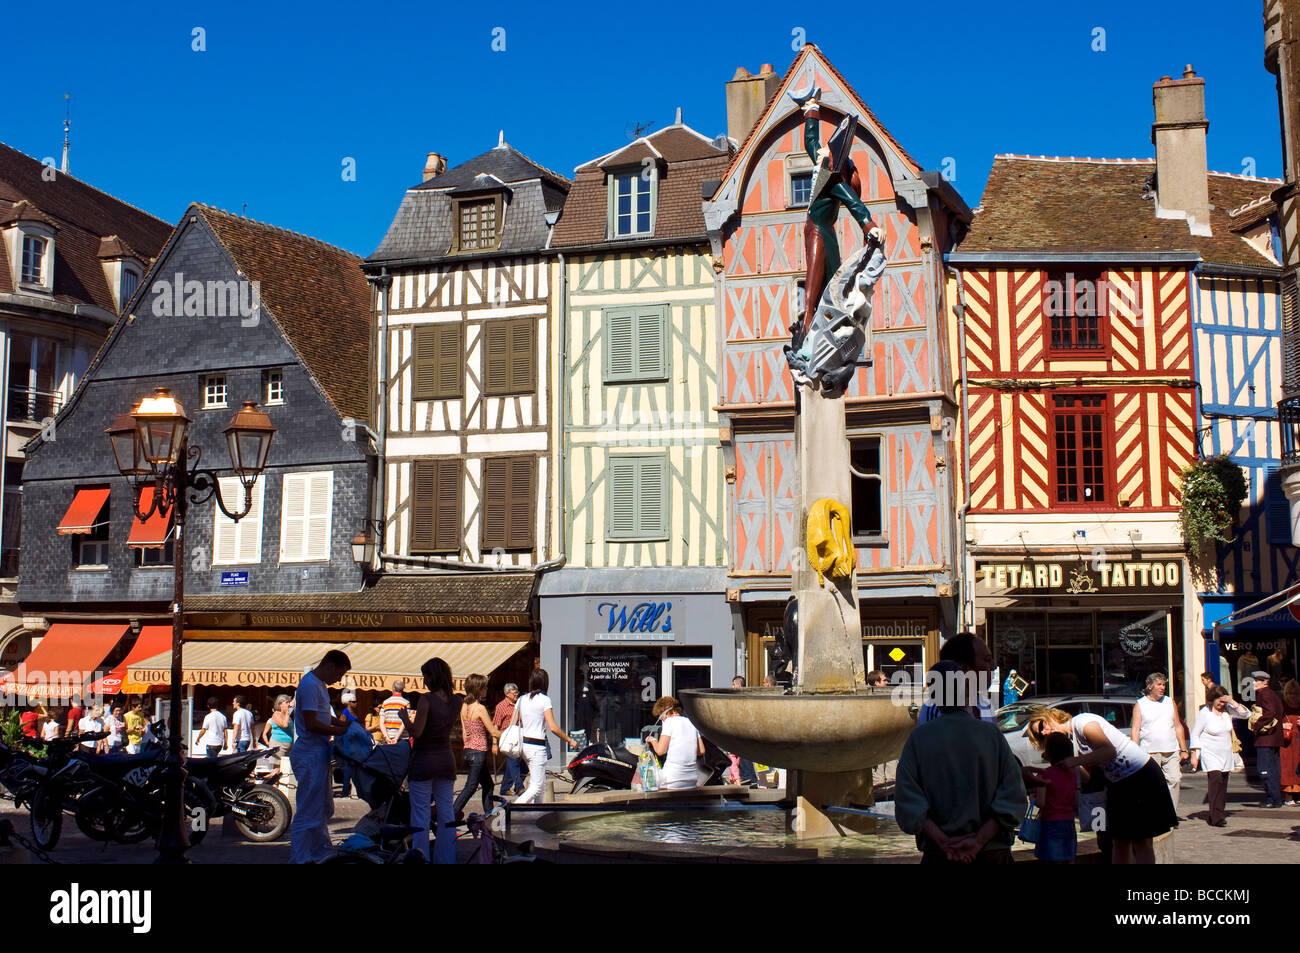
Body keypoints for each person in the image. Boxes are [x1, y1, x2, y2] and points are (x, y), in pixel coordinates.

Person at [895, 661, 1027, 864]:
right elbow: (1013, 797)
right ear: (966, 691)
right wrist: (977, 841)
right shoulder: (991, 735)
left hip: (939, 854)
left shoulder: (918, 739)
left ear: (934, 696)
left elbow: (908, 803)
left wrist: (944, 842)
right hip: (992, 853)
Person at [1027, 706, 1177, 864]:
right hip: (1119, 783)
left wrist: (1074, 761)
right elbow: (1087, 777)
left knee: (1141, 841)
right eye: (1039, 734)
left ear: (1051, 715)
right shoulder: (1073, 739)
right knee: (1120, 841)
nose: (1043, 732)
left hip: (1140, 776)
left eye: (1042, 726)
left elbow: (1109, 751)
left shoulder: (1083, 723)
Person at [289, 650, 352, 864]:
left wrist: (340, 724)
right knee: (308, 809)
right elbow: (311, 723)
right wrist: (339, 732)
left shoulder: (319, 687)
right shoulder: (309, 685)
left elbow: (322, 717)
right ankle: (300, 857)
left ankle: (319, 852)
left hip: (318, 752)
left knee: (322, 807)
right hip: (309, 753)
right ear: (330, 666)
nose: (339, 680)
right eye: (339, 674)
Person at [398, 657, 462, 863]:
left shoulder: (427, 700)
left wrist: (404, 718)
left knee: (421, 814)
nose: (424, 680)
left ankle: (420, 857)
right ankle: (447, 858)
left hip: (424, 761)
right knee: (446, 813)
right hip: (446, 760)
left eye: (425, 676)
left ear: (433, 676)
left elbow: (417, 732)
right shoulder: (457, 701)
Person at [513, 669, 580, 804]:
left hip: (524, 745)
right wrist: (569, 740)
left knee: (541, 784)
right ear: (545, 683)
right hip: (537, 747)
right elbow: (553, 727)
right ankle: (513, 810)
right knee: (537, 787)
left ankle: (535, 814)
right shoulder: (544, 700)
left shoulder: (521, 699)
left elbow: (512, 723)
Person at [1189, 685, 1251, 826]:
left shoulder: (1227, 710)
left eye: (1223, 702)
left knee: (1223, 783)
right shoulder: (1205, 712)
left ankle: (1217, 813)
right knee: (1215, 780)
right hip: (1210, 752)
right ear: (1212, 700)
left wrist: (1232, 702)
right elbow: (1195, 734)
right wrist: (1195, 754)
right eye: (1219, 701)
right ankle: (1216, 817)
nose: (1221, 704)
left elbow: (1245, 714)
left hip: (1225, 752)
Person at [1130, 672, 1188, 813]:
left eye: (1164, 685)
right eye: (1159, 685)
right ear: (1150, 687)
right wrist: (1133, 751)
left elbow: (1178, 725)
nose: (1162, 688)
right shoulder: (1140, 704)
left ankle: (1171, 813)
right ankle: (1153, 813)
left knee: (1174, 780)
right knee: (1152, 784)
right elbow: (1136, 729)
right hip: (1149, 751)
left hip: (1171, 749)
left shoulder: (1169, 702)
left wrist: (1184, 749)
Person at [917, 633, 996, 725]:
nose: (994, 666)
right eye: (987, 659)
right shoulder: (935, 709)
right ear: (964, 667)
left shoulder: (986, 705)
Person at [1023, 733, 1079, 863]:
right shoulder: (1072, 774)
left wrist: (1032, 798)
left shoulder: (1046, 774)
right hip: (1069, 822)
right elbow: (1076, 799)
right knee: (1068, 858)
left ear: (1049, 752)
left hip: (1050, 823)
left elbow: (1041, 803)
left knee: (1050, 858)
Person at [452, 673, 501, 820]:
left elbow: (465, 733)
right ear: (478, 689)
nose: (486, 690)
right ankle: (451, 814)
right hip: (478, 752)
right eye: (484, 687)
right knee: (471, 787)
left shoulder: (464, 706)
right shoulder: (480, 708)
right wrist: (512, 735)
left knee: (488, 785)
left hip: (469, 750)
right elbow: (492, 730)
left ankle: (489, 817)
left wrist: (467, 748)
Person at [645, 696, 706, 790]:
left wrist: (652, 740)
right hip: (691, 780)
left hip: (671, 779)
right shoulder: (691, 722)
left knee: (645, 780)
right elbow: (701, 751)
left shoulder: (669, 722)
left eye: (661, 716)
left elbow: (660, 751)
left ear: (666, 712)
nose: (662, 719)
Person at [1250, 670, 1286, 808]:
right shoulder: (1272, 694)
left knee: (1265, 769)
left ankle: (1273, 799)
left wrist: (1257, 726)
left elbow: (1270, 712)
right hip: (1274, 738)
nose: (1254, 683)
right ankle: (1275, 798)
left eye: (1257, 680)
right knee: (1274, 769)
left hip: (1266, 739)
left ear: (1265, 682)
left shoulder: (1264, 694)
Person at [492, 683, 524, 798]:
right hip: (507, 739)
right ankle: (519, 787)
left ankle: (505, 788)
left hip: (519, 738)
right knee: (513, 762)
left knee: (516, 763)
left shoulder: (519, 704)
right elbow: (495, 726)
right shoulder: (500, 707)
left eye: (517, 692)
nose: (517, 694)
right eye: (514, 692)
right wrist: (494, 744)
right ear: (507, 694)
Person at [262, 694, 295, 779]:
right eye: (286, 702)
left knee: (284, 769)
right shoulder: (276, 714)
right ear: (280, 704)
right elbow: (284, 725)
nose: (288, 704)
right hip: (278, 744)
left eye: (289, 702)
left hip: (288, 745)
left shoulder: (289, 716)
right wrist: (287, 714)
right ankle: (268, 785)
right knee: (277, 768)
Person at [1280, 679, 1300, 806]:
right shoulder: (1281, 706)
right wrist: (1282, 725)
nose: (1292, 696)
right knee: (1287, 767)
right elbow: (1274, 722)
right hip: (1286, 742)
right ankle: (1288, 796)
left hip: (1298, 742)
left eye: (1294, 693)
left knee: (1298, 766)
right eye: (1289, 693)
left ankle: (1297, 794)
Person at [380, 680, 410, 744]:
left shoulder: (385, 702)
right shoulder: (406, 703)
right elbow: (404, 722)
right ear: (403, 689)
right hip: (402, 739)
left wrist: (387, 738)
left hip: (388, 739)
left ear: (393, 689)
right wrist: (396, 738)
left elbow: (381, 723)